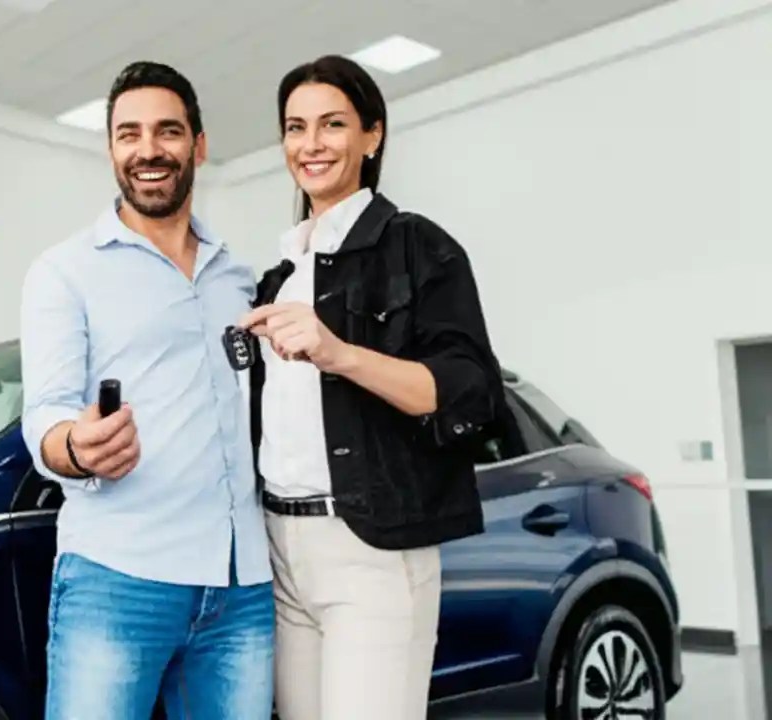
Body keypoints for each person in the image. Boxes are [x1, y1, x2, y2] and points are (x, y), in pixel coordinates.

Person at [237, 54, 507, 720]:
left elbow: (469, 393)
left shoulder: (418, 248)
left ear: (372, 136)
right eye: (296, 128)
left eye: (333, 124)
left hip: (371, 547)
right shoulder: (277, 276)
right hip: (280, 545)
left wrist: (338, 352)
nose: (311, 144)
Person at [19, 61, 274, 720]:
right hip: (118, 580)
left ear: (199, 144)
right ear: (111, 150)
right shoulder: (63, 272)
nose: (148, 149)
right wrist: (75, 445)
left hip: (241, 590)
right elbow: (44, 412)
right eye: (128, 134)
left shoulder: (237, 278)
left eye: (167, 131)